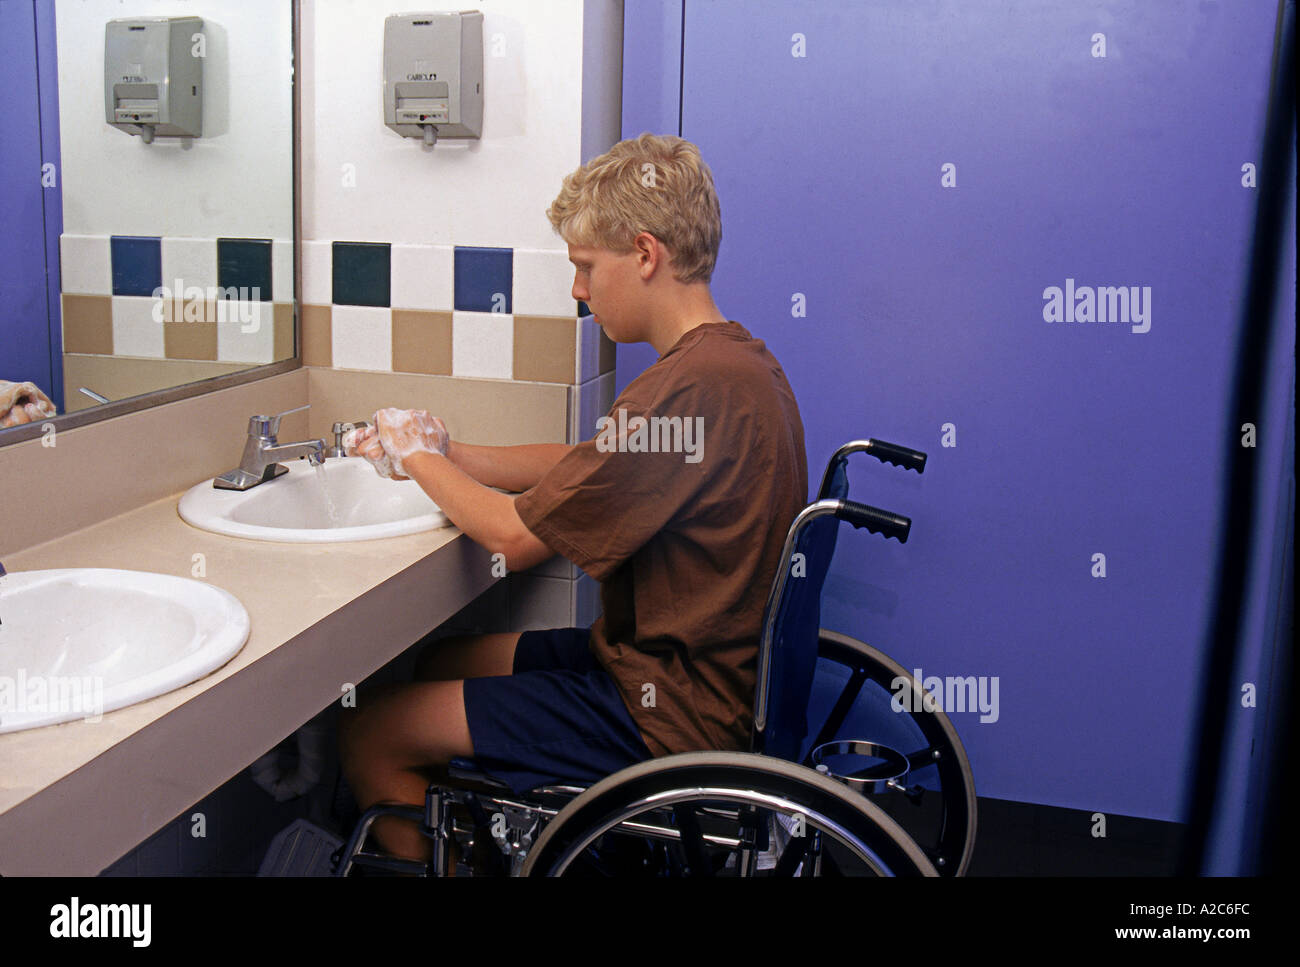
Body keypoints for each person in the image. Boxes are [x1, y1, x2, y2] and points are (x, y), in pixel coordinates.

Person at [337, 133, 808, 867]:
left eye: (587, 267)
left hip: (667, 714)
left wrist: (414, 455)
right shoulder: (734, 362)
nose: (578, 290)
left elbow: (510, 538)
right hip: (675, 674)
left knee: (368, 732)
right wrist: (452, 451)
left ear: (646, 255)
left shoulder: (691, 385)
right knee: (444, 658)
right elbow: (582, 466)